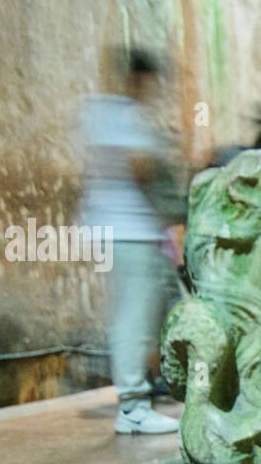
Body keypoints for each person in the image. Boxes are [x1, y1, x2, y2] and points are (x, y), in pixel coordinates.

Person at [77, 47, 185, 434]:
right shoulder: (119, 115)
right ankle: (133, 407)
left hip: (130, 232)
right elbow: (141, 169)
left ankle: (144, 398)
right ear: (138, 78)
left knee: (150, 313)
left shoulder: (104, 113)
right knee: (133, 319)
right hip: (129, 232)